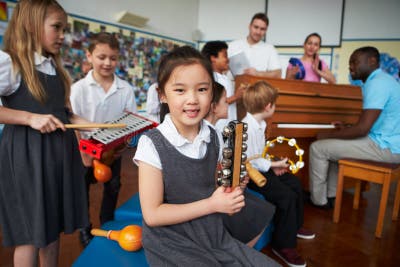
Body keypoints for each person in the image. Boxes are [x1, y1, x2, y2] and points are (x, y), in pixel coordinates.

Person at [134, 46, 280, 266]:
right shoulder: (151, 144)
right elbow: (153, 215)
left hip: (212, 234)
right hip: (173, 243)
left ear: (212, 93)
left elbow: (215, 186)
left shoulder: (213, 135)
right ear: (162, 95)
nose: (192, 99)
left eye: (202, 89)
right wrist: (213, 205)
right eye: (180, 90)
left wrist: (234, 187)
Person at [0, 1, 89, 266]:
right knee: (29, 235)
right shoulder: (10, 64)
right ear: (31, 26)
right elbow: (30, 115)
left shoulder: (55, 69)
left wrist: (94, 126)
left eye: (65, 28)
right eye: (56, 28)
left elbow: (66, 115)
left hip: (58, 156)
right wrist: (29, 118)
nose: (63, 35)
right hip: (25, 157)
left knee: (51, 232)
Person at [309, 46, 400, 208]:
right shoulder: (383, 80)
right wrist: (347, 127)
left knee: (318, 148)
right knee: (335, 147)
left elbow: (362, 129)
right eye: (350, 62)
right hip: (389, 143)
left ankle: (318, 201)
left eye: (355, 62)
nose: (350, 66)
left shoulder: (377, 83)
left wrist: (327, 134)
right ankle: (331, 196)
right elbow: (370, 123)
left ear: (372, 61)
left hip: (386, 148)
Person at [70, 32, 137, 247]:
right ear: (89, 56)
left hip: (113, 149)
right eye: (101, 57)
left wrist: (123, 145)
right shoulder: (78, 89)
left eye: (113, 58)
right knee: (82, 190)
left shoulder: (125, 89)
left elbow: (130, 120)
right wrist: (83, 154)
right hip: (85, 149)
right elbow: (71, 120)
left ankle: (106, 223)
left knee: (113, 187)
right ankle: (84, 227)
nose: (107, 63)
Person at [242, 81, 315, 267]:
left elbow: (260, 154)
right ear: (268, 106)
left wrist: (273, 165)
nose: (274, 107)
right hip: (252, 177)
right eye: (274, 104)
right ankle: (283, 245)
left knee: (295, 184)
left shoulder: (260, 123)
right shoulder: (246, 127)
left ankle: (294, 226)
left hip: (263, 169)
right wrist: (274, 164)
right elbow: (250, 160)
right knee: (286, 196)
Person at [201, 41, 246, 132]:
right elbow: (214, 101)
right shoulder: (210, 78)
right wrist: (236, 96)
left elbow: (229, 101)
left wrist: (239, 97)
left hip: (230, 125)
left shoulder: (225, 78)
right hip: (219, 127)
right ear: (213, 58)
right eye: (225, 56)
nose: (228, 59)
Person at [228, 13, 281, 78]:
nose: (258, 32)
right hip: (234, 86)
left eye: (262, 29)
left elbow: (278, 74)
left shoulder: (270, 49)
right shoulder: (233, 45)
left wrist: (257, 73)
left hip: (257, 87)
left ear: (266, 30)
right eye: (256, 27)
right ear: (249, 26)